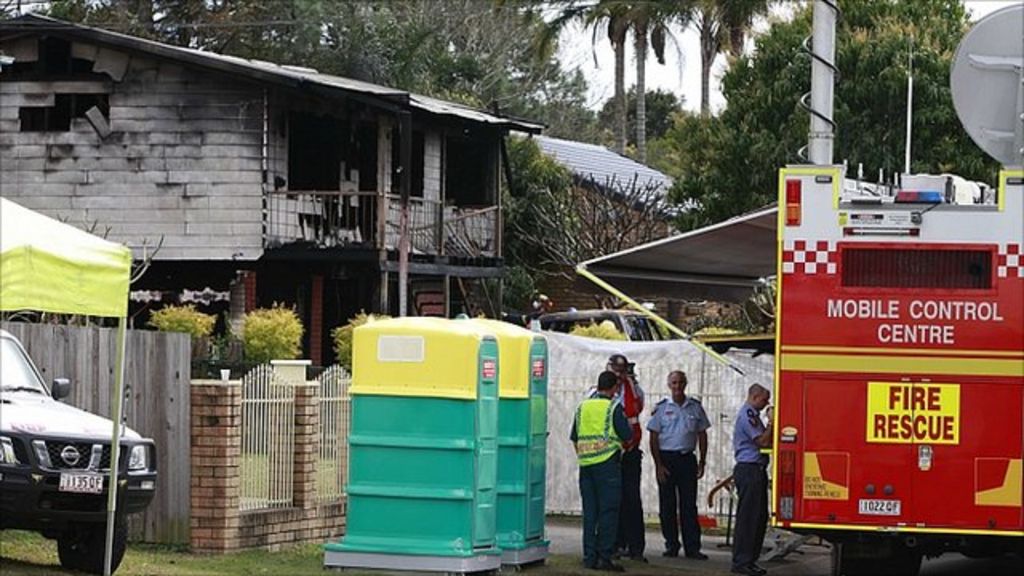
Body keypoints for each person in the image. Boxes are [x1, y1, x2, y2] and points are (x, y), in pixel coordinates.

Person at [572, 371, 633, 572]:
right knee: (608, 511)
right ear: (614, 387)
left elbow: (574, 437)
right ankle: (604, 557)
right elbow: (627, 435)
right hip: (607, 465)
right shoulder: (614, 407)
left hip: (586, 465)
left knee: (590, 513)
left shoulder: (582, 407)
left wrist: (585, 454)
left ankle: (589, 557)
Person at [647, 370, 711, 560]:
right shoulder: (661, 407)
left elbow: (702, 434)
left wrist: (702, 460)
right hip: (667, 459)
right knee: (667, 505)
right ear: (669, 385)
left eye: (681, 382)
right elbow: (653, 436)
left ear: (685, 384)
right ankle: (671, 545)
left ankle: (692, 548)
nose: (677, 386)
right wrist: (658, 465)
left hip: (686, 459)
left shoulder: (695, 407)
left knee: (689, 505)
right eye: (674, 383)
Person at [731, 384, 773, 576]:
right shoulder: (747, 415)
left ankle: (750, 560)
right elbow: (762, 441)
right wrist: (772, 423)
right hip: (749, 470)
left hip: (756, 469)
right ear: (755, 397)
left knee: (759, 517)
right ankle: (742, 561)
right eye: (765, 400)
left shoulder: (754, 415)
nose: (767, 404)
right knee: (749, 518)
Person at [607, 354, 646, 561]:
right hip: (611, 453)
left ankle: (635, 547)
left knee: (632, 501)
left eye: (623, 371)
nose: (620, 375)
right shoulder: (599, 391)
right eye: (617, 371)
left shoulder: (633, 389)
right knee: (613, 501)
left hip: (630, 451)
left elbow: (639, 406)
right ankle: (614, 544)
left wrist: (631, 381)